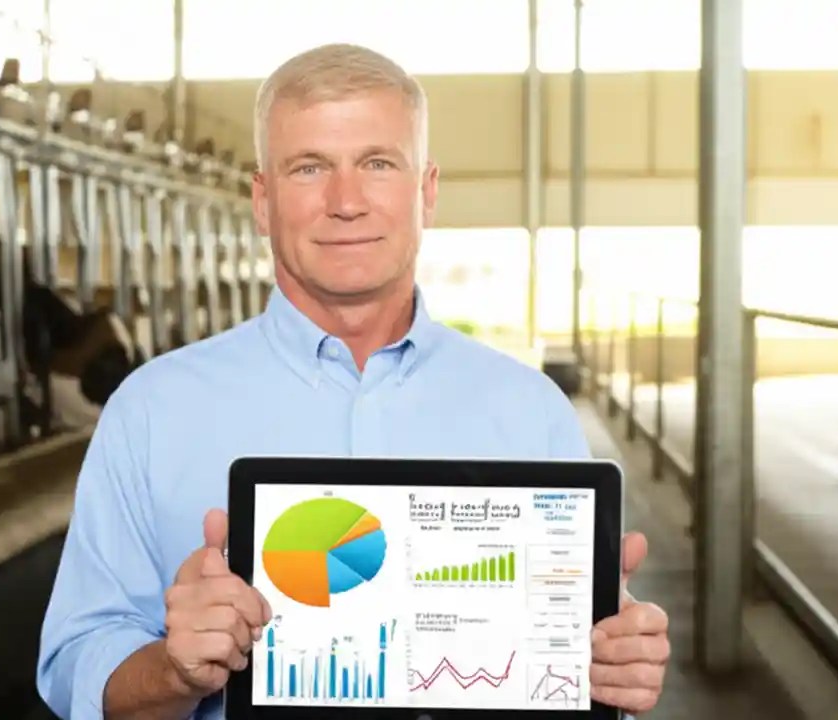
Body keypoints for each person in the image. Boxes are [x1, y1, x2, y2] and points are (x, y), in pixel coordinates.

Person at [36, 42, 670, 720]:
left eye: (377, 164)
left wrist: (612, 663)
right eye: (309, 168)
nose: (345, 202)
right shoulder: (152, 411)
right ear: (262, 201)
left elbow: (574, 669)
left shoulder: (531, 413)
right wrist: (172, 670)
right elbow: (76, 666)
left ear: (427, 191)